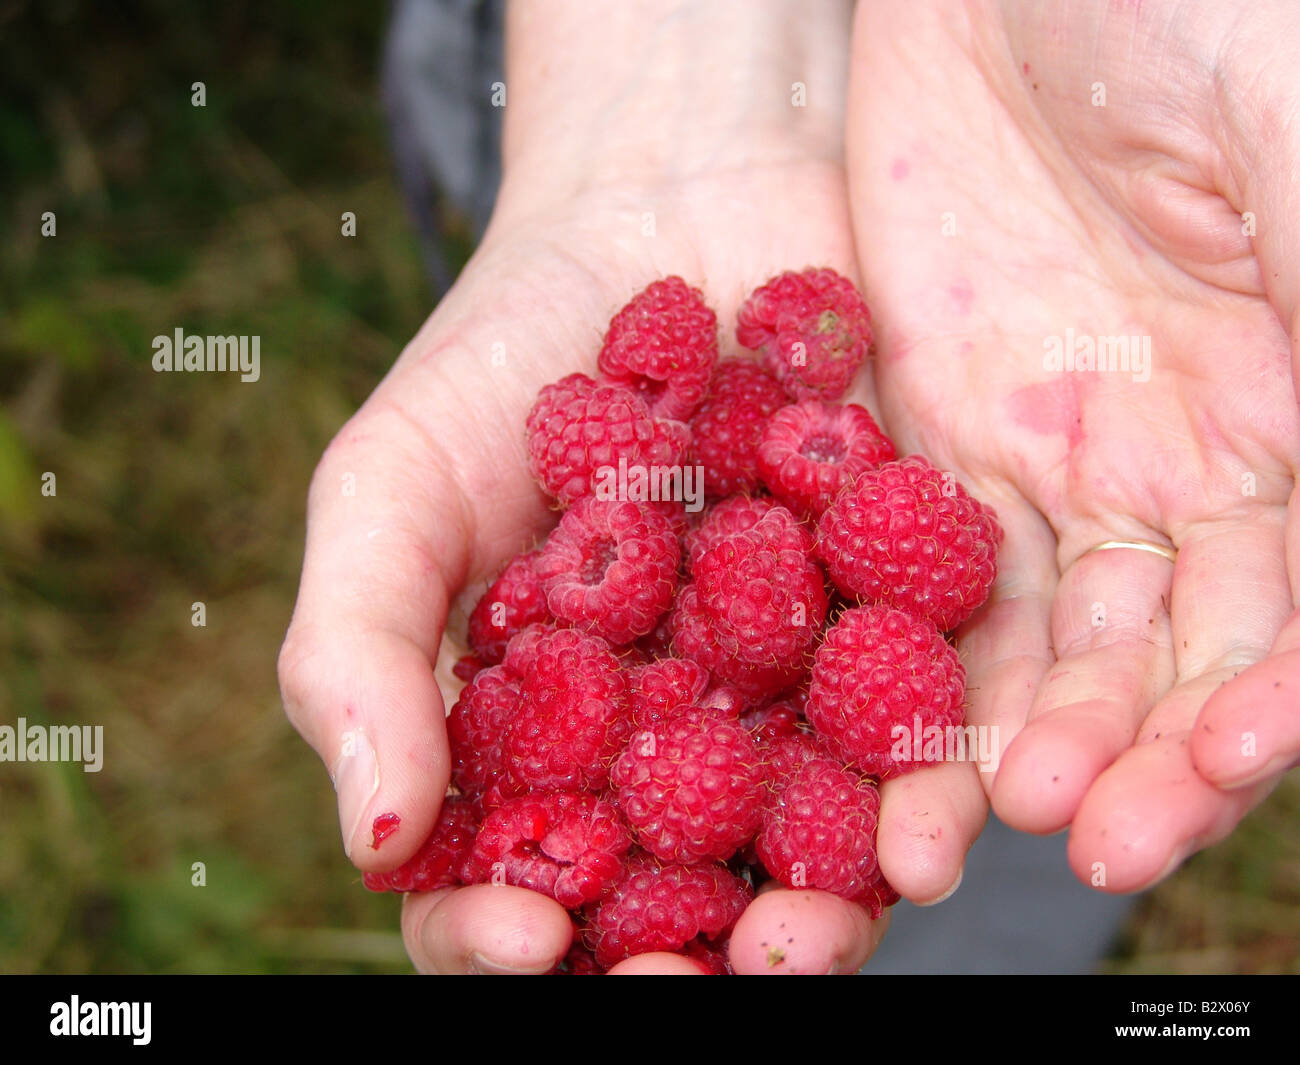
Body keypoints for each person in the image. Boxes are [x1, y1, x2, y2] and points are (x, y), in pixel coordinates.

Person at [277, 0, 1300, 974]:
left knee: (1066, 740)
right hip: (553, 60)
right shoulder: (681, 566)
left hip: (1006, 665)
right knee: (1002, 760)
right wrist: (647, 117)